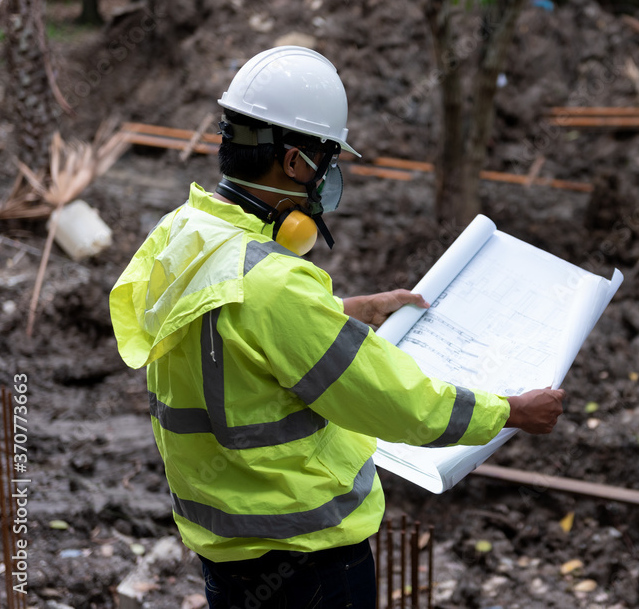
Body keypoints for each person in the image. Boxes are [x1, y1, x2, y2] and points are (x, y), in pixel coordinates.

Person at [109, 46, 565, 609]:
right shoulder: (275, 286)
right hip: (307, 559)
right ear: (297, 163)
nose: (327, 181)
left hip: (228, 552)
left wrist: (346, 310)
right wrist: (511, 412)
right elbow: (398, 403)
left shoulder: (182, 234)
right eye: (328, 164)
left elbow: (226, 331)